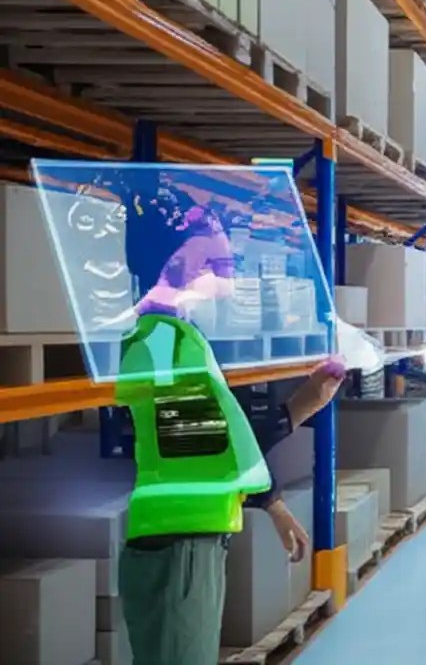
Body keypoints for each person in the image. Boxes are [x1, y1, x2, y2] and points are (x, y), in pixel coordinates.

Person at [115, 183, 346, 664]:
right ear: (175, 263)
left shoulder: (175, 335)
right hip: (178, 542)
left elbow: (217, 439)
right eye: (214, 261)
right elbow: (206, 444)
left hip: (187, 538)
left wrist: (305, 404)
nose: (225, 274)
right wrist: (300, 409)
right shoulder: (162, 343)